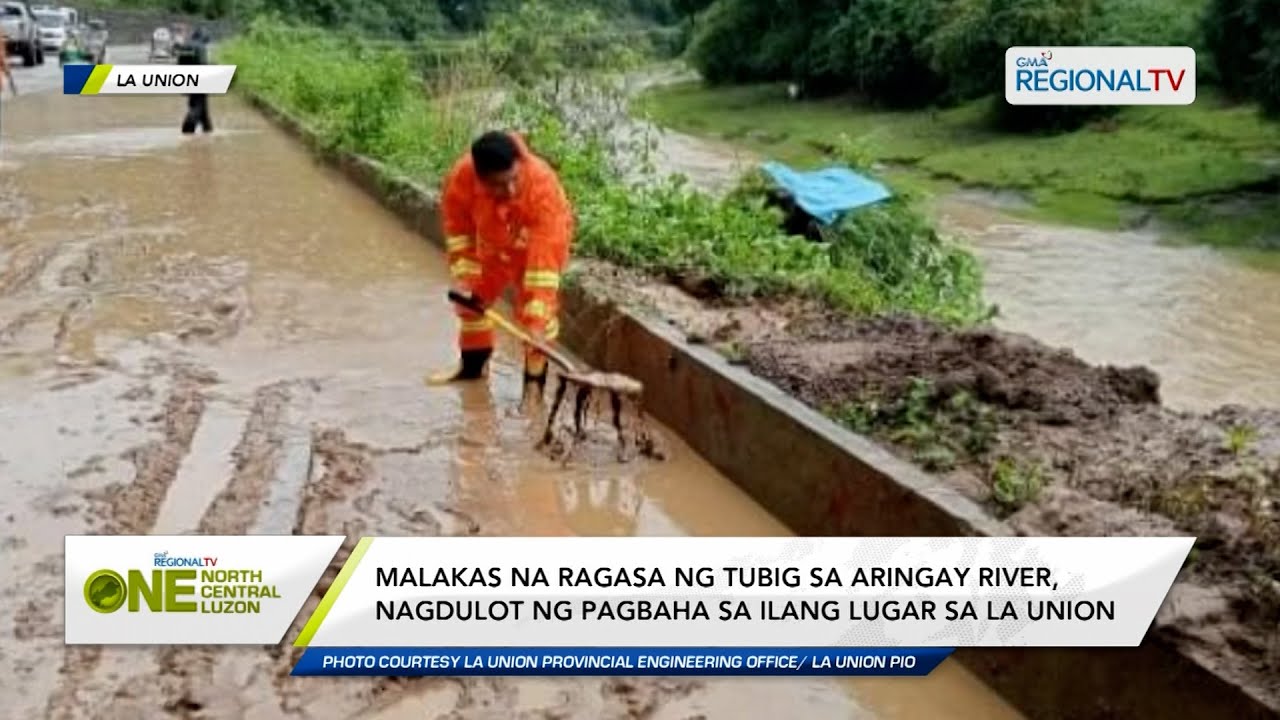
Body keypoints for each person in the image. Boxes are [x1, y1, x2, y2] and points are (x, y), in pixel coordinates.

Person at [427, 130, 574, 401]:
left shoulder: (543, 189)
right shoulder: (462, 177)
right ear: (480, 179)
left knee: (538, 317)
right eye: (498, 185)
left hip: (535, 247)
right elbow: (458, 228)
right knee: (471, 301)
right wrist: (464, 273)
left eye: (515, 180)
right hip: (493, 244)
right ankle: (472, 370)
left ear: (521, 164)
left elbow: (544, 263)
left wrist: (537, 322)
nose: (510, 190)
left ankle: (533, 393)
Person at [177, 27, 212, 134]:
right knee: (198, 107)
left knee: (201, 107)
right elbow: (203, 64)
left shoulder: (185, 46)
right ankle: (187, 130)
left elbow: (179, 64)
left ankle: (208, 130)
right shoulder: (200, 47)